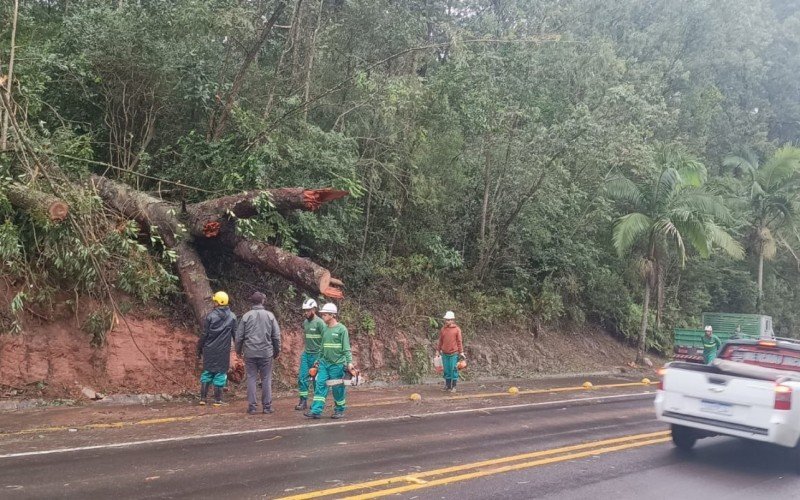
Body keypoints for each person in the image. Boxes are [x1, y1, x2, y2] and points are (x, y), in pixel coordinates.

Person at [235, 291, 281, 415]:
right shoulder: (270, 316)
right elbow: (276, 336)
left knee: (251, 378)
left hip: (250, 352)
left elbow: (239, 337)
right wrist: (277, 351)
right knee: (266, 379)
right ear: (263, 301)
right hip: (266, 353)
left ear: (252, 302)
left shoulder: (246, 316)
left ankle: (252, 407)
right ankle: (267, 407)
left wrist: (238, 351)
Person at [304, 303, 353, 420]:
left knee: (337, 388)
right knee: (320, 385)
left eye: (325, 314)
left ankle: (339, 410)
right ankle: (316, 410)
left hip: (337, 364)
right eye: (322, 314)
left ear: (332, 315)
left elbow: (346, 348)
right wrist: (317, 361)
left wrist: (349, 362)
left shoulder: (342, 329)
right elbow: (322, 347)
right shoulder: (325, 329)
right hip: (324, 363)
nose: (322, 317)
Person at [197, 291, 237, 407]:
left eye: (215, 301)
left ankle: (203, 399)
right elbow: (235, 335)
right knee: (220, 374)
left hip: (209, 349)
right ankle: (217, 400)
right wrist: (239, 350)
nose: (214, 302)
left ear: (218, 302)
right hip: (223, 350)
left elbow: (204, 334)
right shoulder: (232, 317)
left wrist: (199, 348)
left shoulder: (210, 316)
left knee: (207, 372)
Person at [295, 298, 325, 411]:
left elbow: (324, 340)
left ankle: (317, 403)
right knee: (302, 378)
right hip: (307, 354)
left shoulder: (320, 323)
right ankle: (303, 401)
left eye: (308, 310)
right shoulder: (305, 323)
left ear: (314, 309)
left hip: (317, 355)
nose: (306, 313)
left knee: (316, 380)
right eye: (305, 311)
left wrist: (321, 357)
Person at [437, 311, 465, 392]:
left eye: (449, 320)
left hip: (454, 353)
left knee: (454, 369)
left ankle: (454, 386)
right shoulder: (443, 329)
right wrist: (438, 350)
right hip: (444, 353)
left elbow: (459, 341)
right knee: (446, 370)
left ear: (453, 320)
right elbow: (440, 341)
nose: (447, 321)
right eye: (446, 320)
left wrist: (461, 352)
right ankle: (448, 386)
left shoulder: (457, 330)